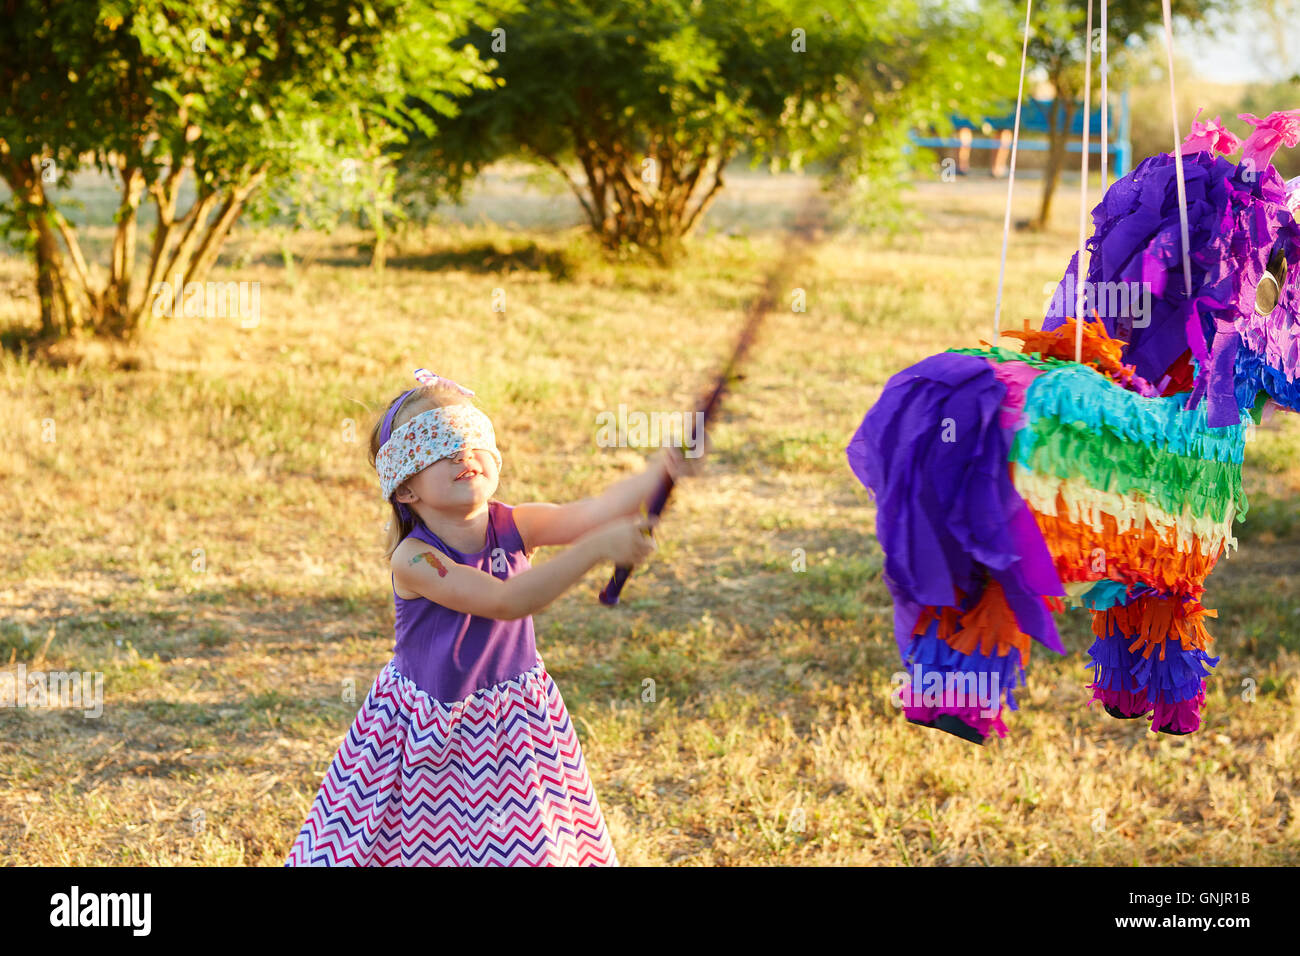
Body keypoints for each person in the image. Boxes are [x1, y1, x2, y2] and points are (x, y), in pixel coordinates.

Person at [286, 369, 704, 865]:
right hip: (428, 733)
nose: (461, 454)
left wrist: (660, 472)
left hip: (513, 720)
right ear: (404, 489)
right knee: (414, 845)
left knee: (526, 842)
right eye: (438, 449)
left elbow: (592, 512)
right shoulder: (415, 560)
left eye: (469, 440)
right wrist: (598, 549)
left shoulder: (513, 523)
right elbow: (509, 601)